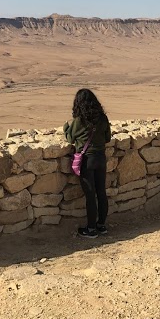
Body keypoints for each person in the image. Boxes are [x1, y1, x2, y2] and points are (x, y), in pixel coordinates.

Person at [64, 88, 110, 238]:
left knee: (90, 195)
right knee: (101, 192)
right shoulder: (103, 118)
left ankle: (90, 229)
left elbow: (70, 138)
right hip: (101, 159)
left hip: (87, 161)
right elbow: (107, 138)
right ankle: (101, 225)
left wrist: (66, 128)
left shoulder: (79, 121)